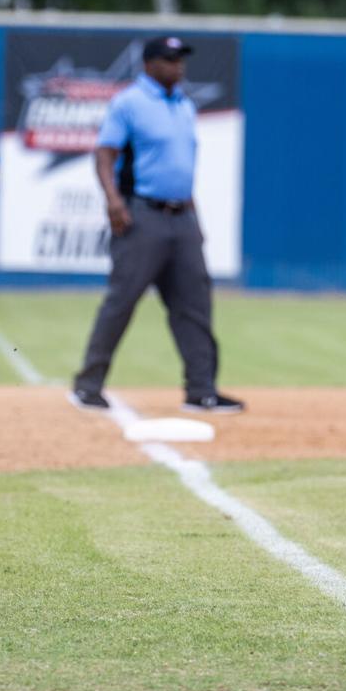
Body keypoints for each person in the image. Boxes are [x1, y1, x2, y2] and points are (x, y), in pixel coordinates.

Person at [70, 36, 244, 414]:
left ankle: (202, 391)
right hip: (142, 215)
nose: (178, 65)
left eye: (181, 58)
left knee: (195, 304)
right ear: (149, 64)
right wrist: (113, 201)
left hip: (183, 217)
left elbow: (180, 166)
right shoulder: (129, 102)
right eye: (169, 59)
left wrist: (194, 218)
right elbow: (105, 154)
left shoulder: (183, 104)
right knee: (122, 301)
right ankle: (88, 385)